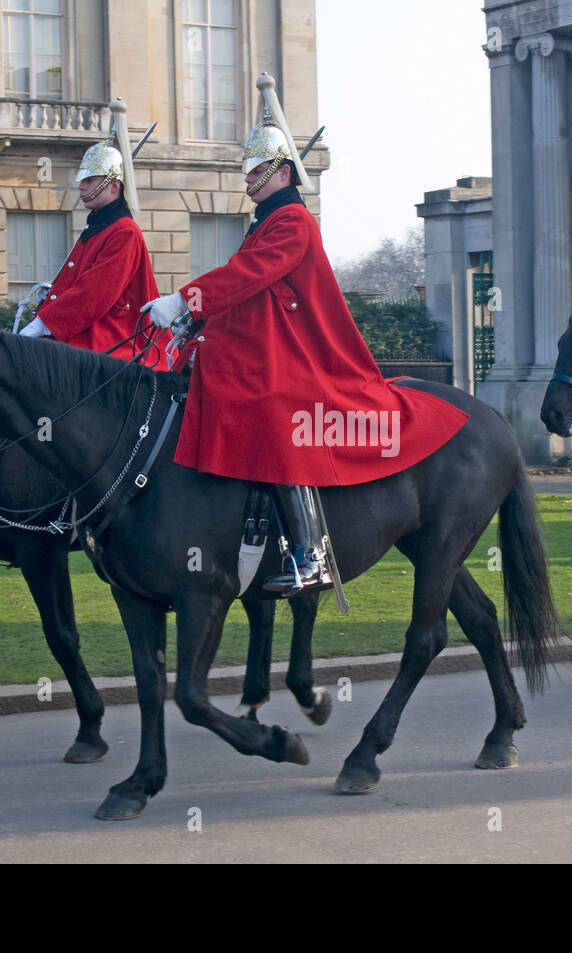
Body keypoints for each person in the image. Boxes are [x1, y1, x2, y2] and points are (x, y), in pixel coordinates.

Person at [139, 84, 469, 594]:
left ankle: (311, 553)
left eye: (256, 171)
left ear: (284, 173)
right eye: (246, 171)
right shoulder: (268, 221)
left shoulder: (292, 222)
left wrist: (185, 299)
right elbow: (248, 292)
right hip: (270, 350)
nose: (247, 181)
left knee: (277, 413)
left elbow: (249, 274)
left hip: (304, 358)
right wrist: (193, 323)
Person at [20, 137, 170, 369]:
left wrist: (44, 323)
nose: (81, 186)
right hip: (90, 328)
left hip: (114, 337)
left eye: (89, 180)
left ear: (113, 186)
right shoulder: (99, 226)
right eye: (82, 180)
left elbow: (95, 292)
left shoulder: (124, 231)